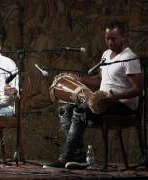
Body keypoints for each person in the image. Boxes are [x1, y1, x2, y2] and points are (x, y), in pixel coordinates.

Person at [44, 21, 143, 169]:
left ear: (123, 37)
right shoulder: (106, 55)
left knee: (81, 110)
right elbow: (101, 80)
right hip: (104, 101)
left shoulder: (130, 58)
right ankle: (79, 157)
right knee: (65, 110)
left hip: (122, 105)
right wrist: (80, 80)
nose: (110, 42)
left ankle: (66, 156)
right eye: (107, 38)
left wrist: (114, 97)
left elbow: (138, 89)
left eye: (114, 38)